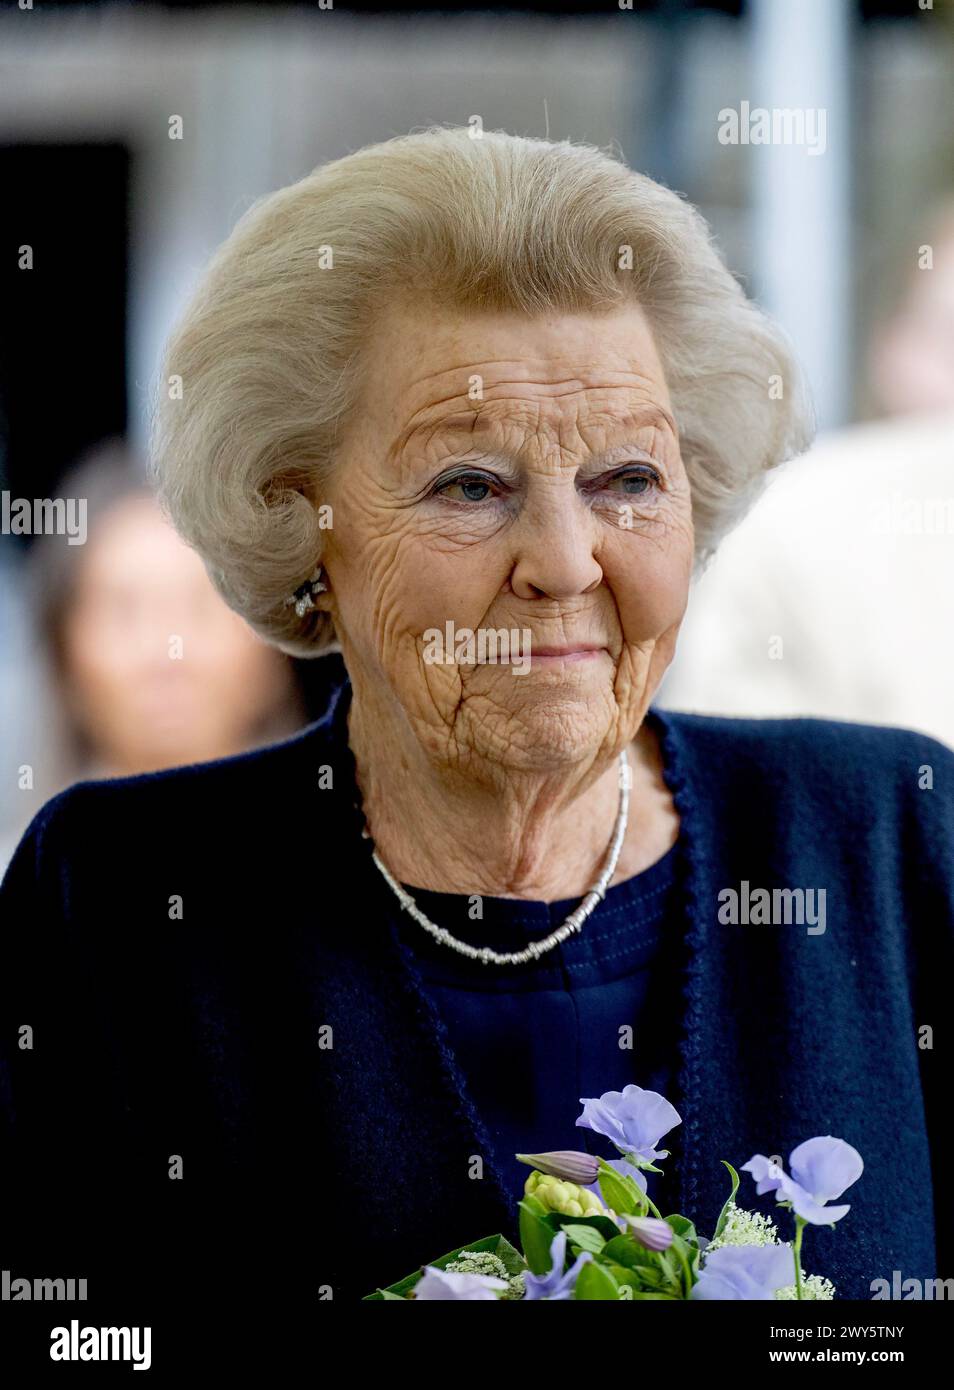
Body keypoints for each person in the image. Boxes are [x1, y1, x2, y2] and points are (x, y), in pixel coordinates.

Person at [1, 129, 950, 1324]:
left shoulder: (887, 839)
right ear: (303, 525)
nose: (564, 562)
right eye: (469, 485)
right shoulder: (122, 898)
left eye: (628, 480)